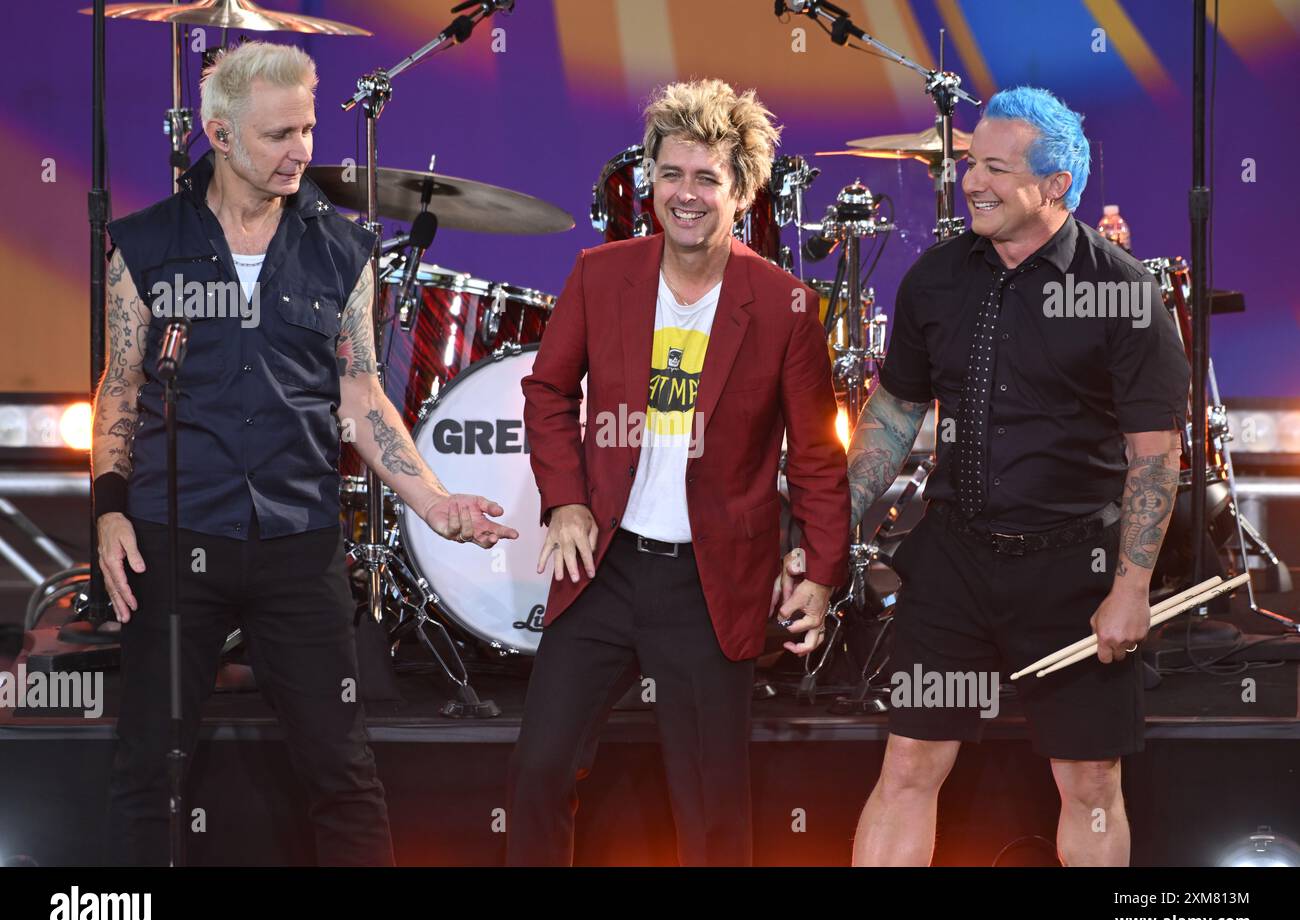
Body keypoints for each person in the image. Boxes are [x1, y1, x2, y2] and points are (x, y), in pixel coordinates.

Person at [93, 41, 517, 866]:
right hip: (175, 532)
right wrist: (109, 512)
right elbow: (120, 386)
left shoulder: (342, 250)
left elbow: (360, 396)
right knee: (147, 765)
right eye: (280, 134)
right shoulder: (144, 245)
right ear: (218, 133)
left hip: (299, 540)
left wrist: (434, 502)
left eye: (310, 131)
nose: (302, 152)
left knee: (341, 767)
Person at [844, 87, 1189, 866]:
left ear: (1056, 184)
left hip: (1075, 571)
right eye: (971, 163)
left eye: (995, 168)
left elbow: (1154, 455)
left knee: (1091, 781)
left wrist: (1130, 589)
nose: (971, 182)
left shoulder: (1124, 291)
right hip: (955, 560)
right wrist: (841, 516)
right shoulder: (936, 277)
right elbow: (894, 412)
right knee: (908, 764)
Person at [509, 78, 849, 866]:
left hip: (710, 581)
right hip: (606, 567)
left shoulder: (786, 305)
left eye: (706, 179)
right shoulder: (602, 274)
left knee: (711, 810)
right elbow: (548, 390)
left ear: (743, 192)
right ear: (648, 179)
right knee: (539, 769)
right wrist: (565, 503)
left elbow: (820, 459)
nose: (684, 195)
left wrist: (822, 576)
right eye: (670, 174)